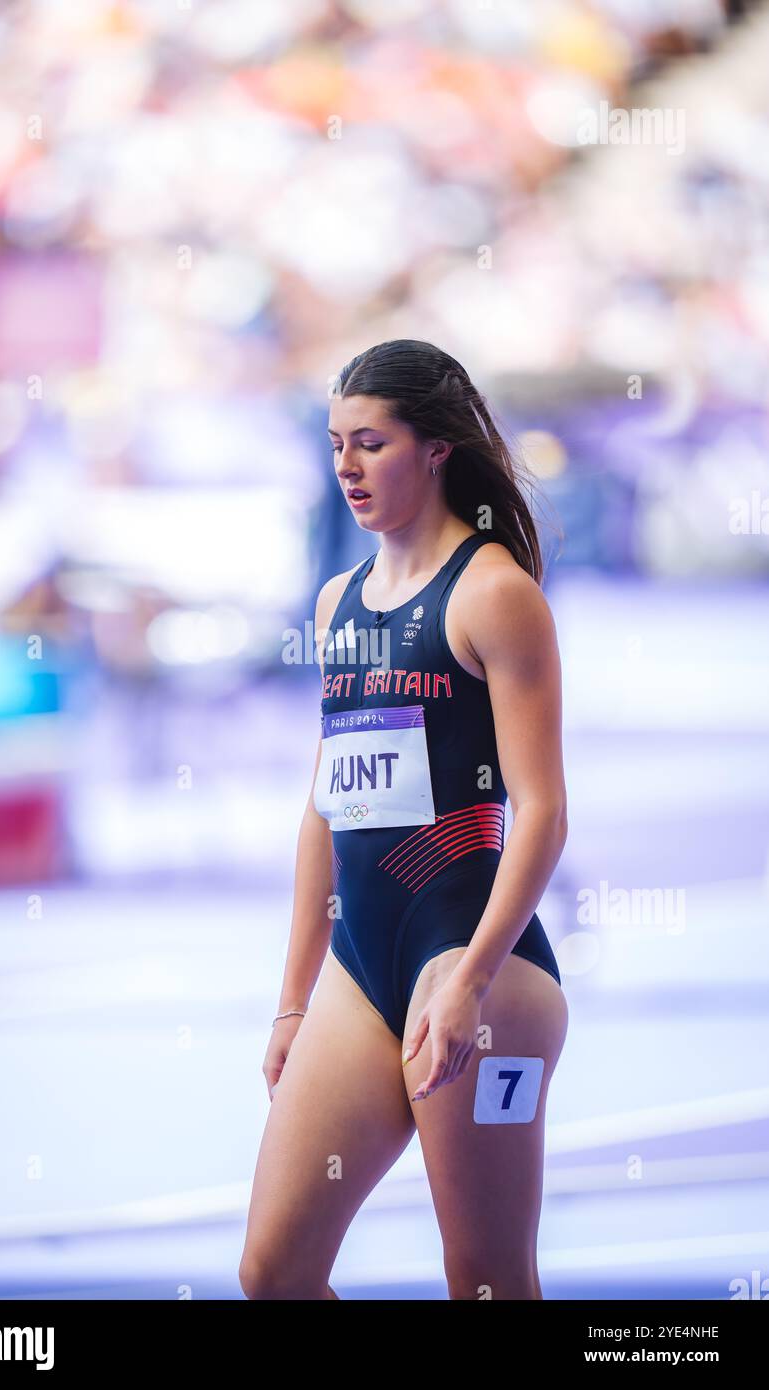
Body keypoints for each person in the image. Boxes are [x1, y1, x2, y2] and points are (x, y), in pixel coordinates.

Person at [240, 340, 569, 1301]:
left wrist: (470, 982)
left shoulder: (494, 595)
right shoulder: (337, 601)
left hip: (477, 969)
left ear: (435, 451)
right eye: (335, 443)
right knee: (275, 1273)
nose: (345, 467)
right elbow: (323, 815)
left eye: (370, 443)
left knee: (485, 1278)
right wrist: (294, 999)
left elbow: (541, 810)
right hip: (359, 969)